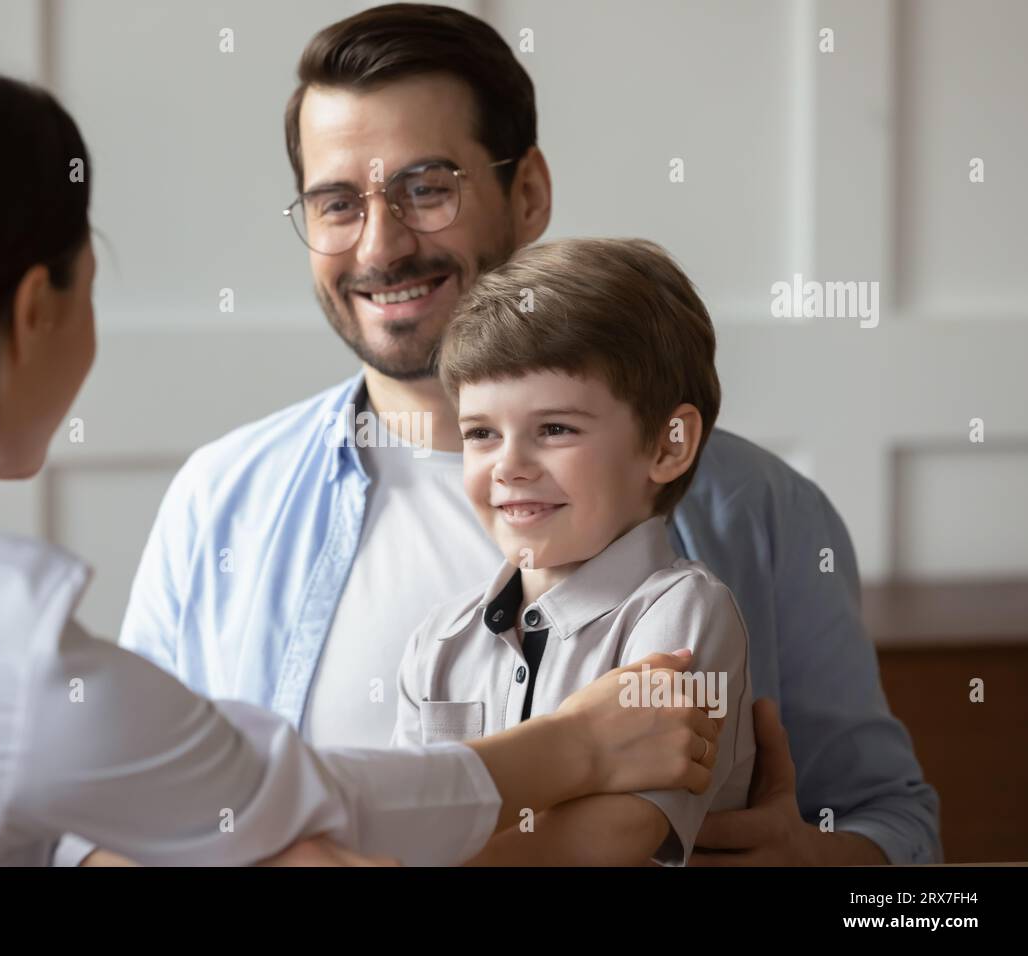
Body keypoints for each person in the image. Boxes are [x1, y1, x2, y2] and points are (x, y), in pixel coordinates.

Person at [0, 51, 723, 866]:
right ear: (36, 312)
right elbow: (266, 795)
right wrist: (578, 744)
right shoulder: (1, 633)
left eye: (427, 186)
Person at [116, 3, 940, 866]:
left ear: (530, 192)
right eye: (336, 203)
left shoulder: (759, 510)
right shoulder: (221, 502)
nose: (382, 246)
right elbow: (115, 827)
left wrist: (818, 865)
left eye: (426, 189)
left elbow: (902, 836)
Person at [392, 237, 756, 866]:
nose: (508, 466)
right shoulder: (438, 642)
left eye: (555, 429)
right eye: (481, 433)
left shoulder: (682, 616)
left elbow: (615, 835)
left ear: (669, 445)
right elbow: (398, 817)